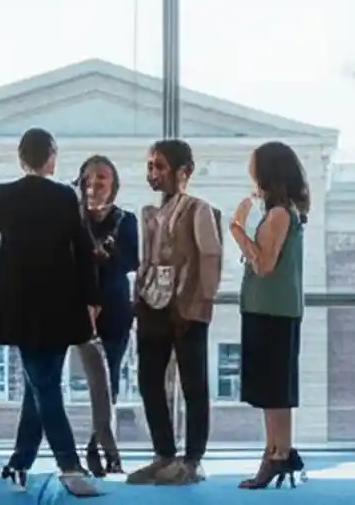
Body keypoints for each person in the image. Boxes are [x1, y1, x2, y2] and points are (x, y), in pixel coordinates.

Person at [0, 128, 101, 497]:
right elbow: (83, 248)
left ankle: (19, 463)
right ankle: (69, 464)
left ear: (21, 158)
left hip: (16, 302)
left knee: (40, 384)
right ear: (51, 158)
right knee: (45, 384)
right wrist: (92, 298)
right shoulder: (64, 195)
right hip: (59, 302)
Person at [126, 139, 222, 487]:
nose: (153, 173)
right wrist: (138, 295)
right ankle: (163, 454)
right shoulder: (151, 214)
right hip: (152, 306)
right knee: (149, 381)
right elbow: (147, 259)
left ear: (185, 171)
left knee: (193, 384)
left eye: (160, 166)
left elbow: (209, 258)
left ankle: (193, 460)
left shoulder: (199, 210)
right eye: (150, 166)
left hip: (187, 309)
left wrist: (197, 306)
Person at [229, 142, 308, 489]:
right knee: (276, 388)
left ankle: (277, 454)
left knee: (273, 388)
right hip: (274, 308)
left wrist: (236, 229)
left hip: (271, 310)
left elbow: (263, 264)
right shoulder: (282, 211)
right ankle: (278, 450)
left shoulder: (278, 215)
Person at [73, 155, 139, 478]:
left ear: (112, 185)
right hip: (74, 308)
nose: (94, 183)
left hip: (113, 309)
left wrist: (106, 256)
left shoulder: (126, 220)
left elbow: (132, 261)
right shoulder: (72, 218)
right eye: (89, 177)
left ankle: (100, 446)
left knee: (108, 379)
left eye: (102, 178)